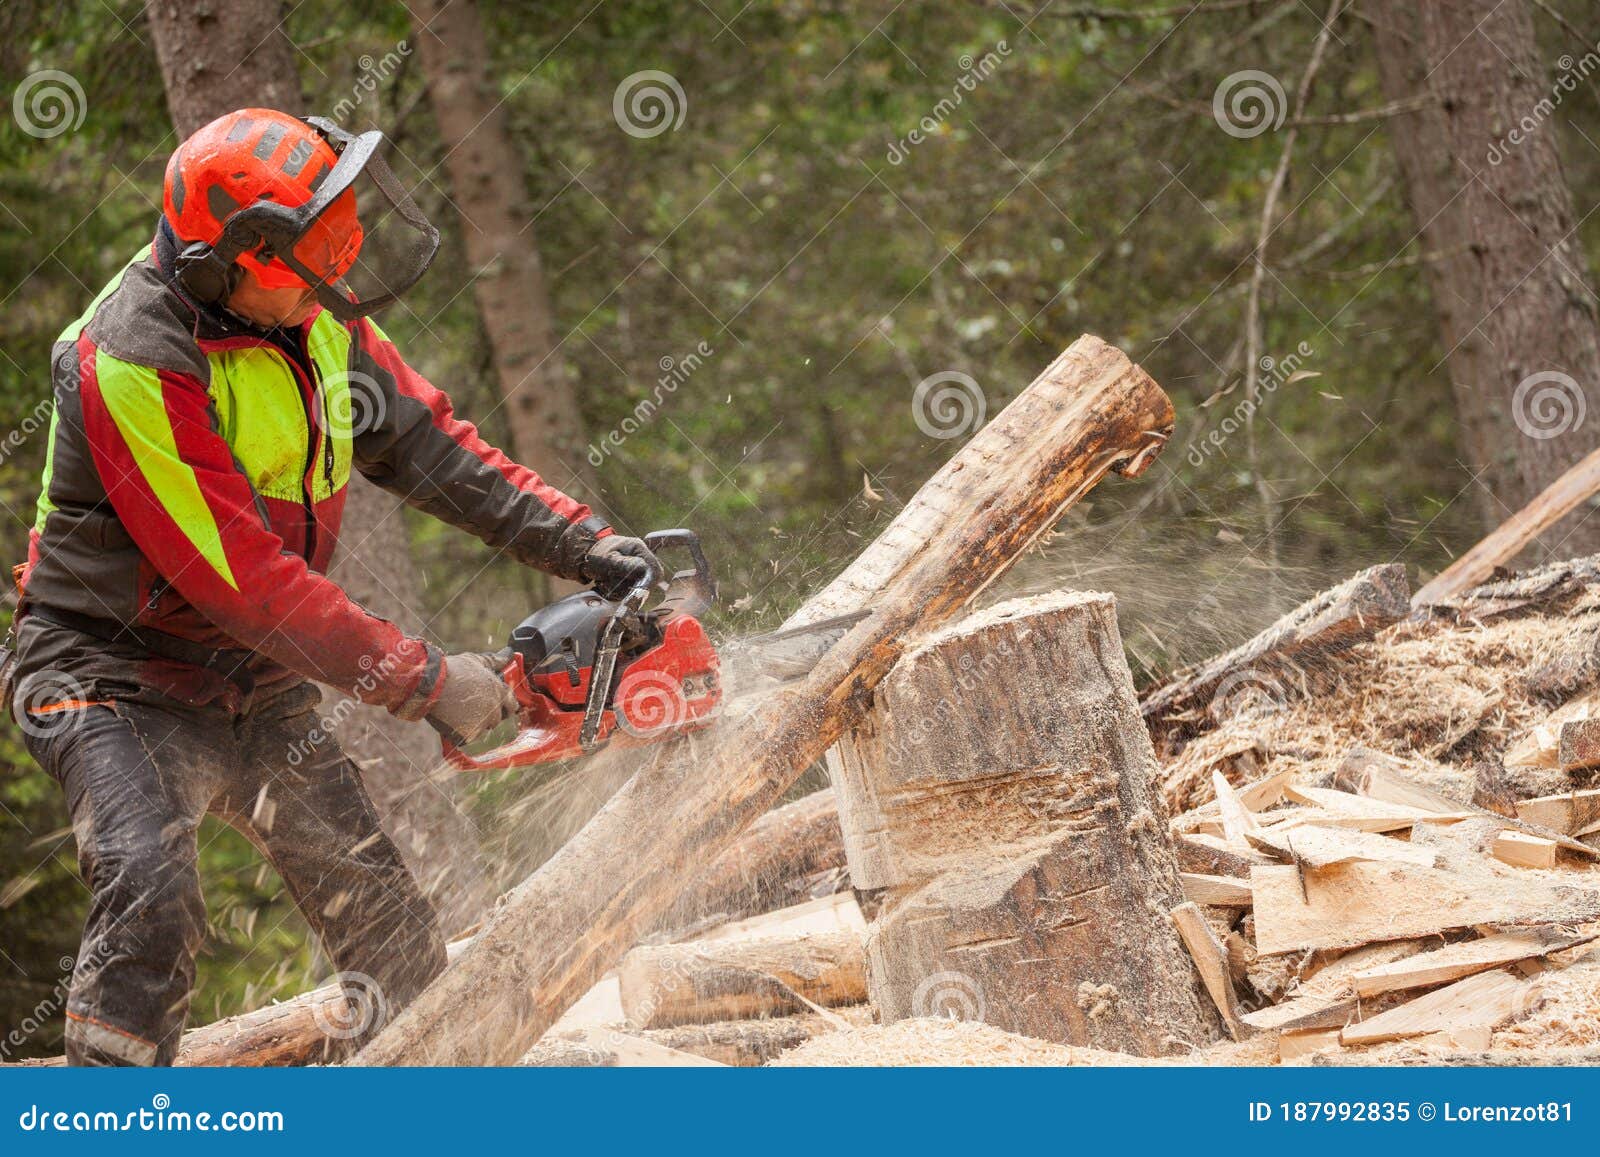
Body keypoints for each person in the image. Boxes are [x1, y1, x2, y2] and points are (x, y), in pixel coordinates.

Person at [12, 108, 659, 1065]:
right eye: (308, 248)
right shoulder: (130, 360)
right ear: (225, 259)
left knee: (388, 928)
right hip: (108, 676)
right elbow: (248, 585)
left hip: (250, 679)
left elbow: (436, 449)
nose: (333, 265)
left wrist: (587, 544)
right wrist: (429, 679)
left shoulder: (311, 316)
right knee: (150, 882)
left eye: (334, 231)